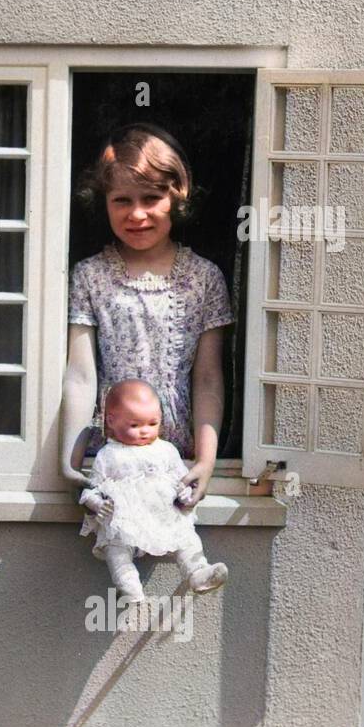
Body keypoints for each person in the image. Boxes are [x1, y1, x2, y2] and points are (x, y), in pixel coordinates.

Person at [60, 123, 233, 514]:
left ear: (177, 197)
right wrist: (69, 463)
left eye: (151, 198)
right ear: (104, 202)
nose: (136, 214)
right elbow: (81, 374)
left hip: (174, 457)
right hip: (110, 453)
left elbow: (207, 378)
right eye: (122, 200)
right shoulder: (90, 275)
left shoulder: (204, 278)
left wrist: (205, 462)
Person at [78, 379, 229, 600]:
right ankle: (128, 584)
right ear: (111, 421)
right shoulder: (108, 455)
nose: (144, 431)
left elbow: (182, 479)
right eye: (135, 425)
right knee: (116, 546)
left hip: (163, 513)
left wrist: (185, 493)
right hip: (127, 516)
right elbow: (91, 488)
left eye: (152, 423)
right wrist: (98, 504)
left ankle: (197, 572)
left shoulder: (166, 450)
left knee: (186, 536)